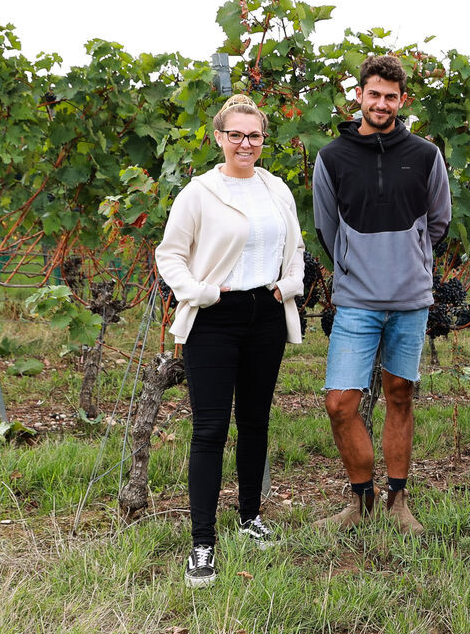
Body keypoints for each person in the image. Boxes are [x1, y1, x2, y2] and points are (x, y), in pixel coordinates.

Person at [155, 94, 306, 588]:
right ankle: (203, 544)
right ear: (219, 137)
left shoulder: (276, 188)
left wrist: (289, 284)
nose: (246, 143)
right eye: (236, 134)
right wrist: (200, 292)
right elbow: (170, 255)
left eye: (254, 135)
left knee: (256, 422)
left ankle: (248, 518)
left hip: (266, 313)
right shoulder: (198, 193)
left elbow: (296, 246)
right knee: (210, 429)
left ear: (263, 139)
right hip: (215, 317)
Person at [312, 54, 451, 533]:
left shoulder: (426, 155)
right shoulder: (331, 157)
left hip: (410, 301)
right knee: (340, 403)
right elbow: (325, 227)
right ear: (360, 96)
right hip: (355, 301)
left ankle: (397, 499)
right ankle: (360, 498)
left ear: (402, 100)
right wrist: (357, 263)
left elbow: (438, 221)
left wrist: (407, 259)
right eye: (374, 94)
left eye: (391, 96)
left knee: (399, 396)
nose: (382, 103)